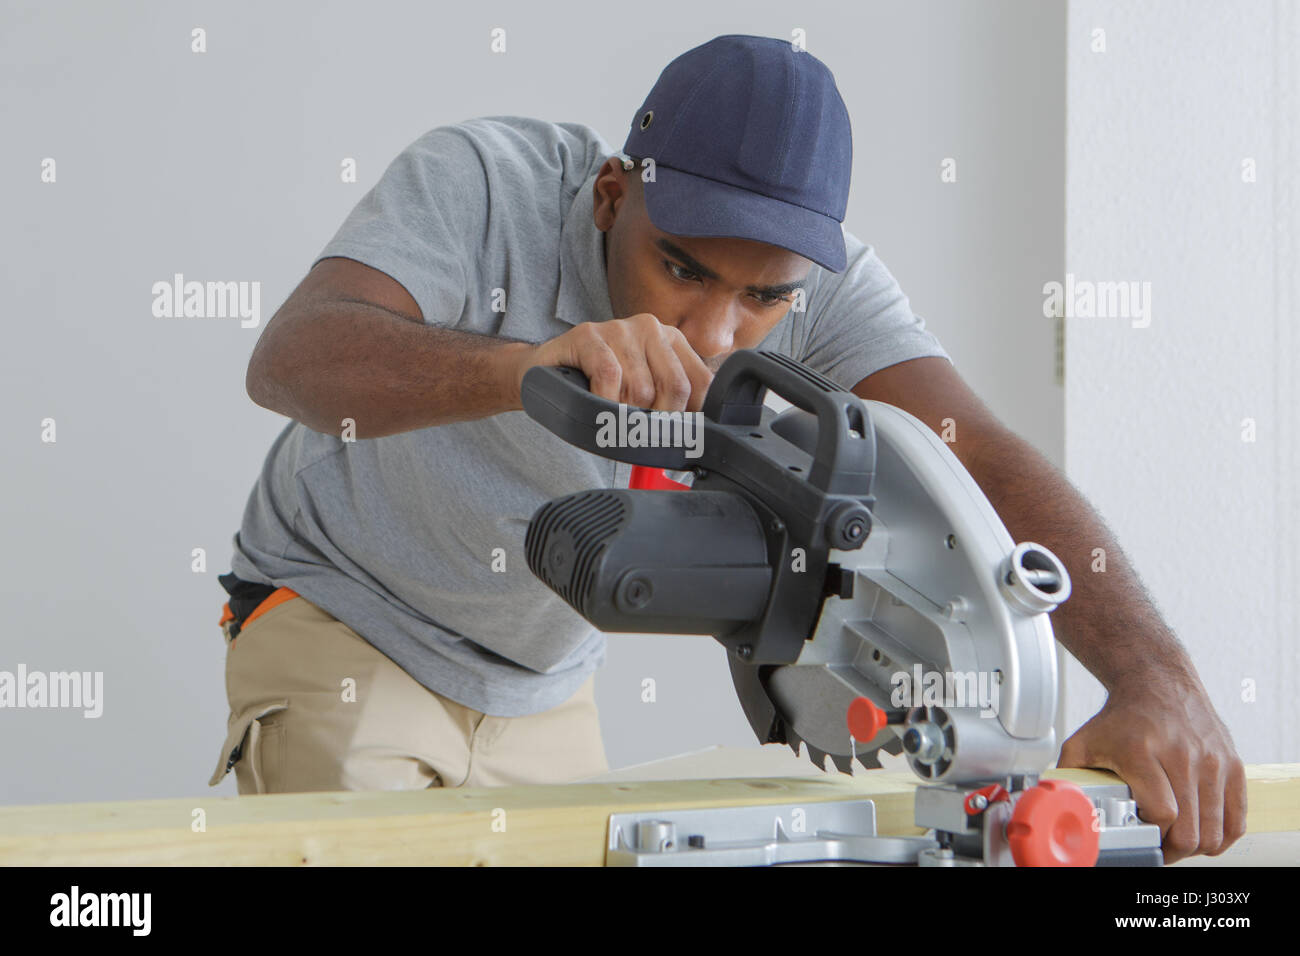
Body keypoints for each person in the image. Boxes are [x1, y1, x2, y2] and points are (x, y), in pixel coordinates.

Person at [209, 33, 1244, 863]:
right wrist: (528, 367)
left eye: (762, 297)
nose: (713, 331)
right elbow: (292, 360)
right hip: (346, 617)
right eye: (682, 267)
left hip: (540, 674)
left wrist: (1157, 680)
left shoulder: (825, 287)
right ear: (614, 194)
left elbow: (972, 451)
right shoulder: (483, 182)